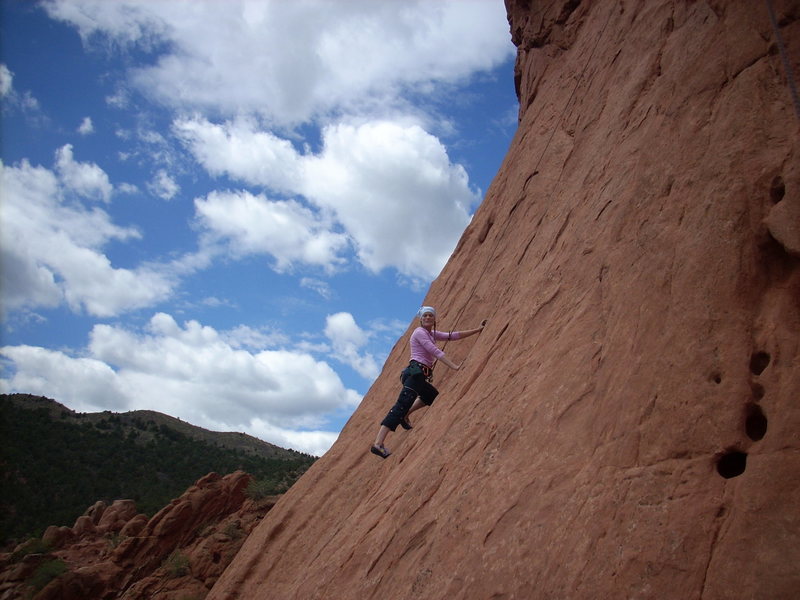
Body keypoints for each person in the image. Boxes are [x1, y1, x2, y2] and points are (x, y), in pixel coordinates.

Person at [370, 306, 486, 459]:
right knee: (400, 405)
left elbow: (452, 336)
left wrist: (477, 330)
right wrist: (455, 367)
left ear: (434, 318)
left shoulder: (430, 333)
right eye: (425, 315)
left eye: (431, 315)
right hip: (415, 374)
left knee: (431, 396)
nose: (428, 318)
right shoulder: (419, 332)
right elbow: (434, 351)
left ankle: (406, 415)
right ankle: (378, 443)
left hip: (419, 376)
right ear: (421, 319)